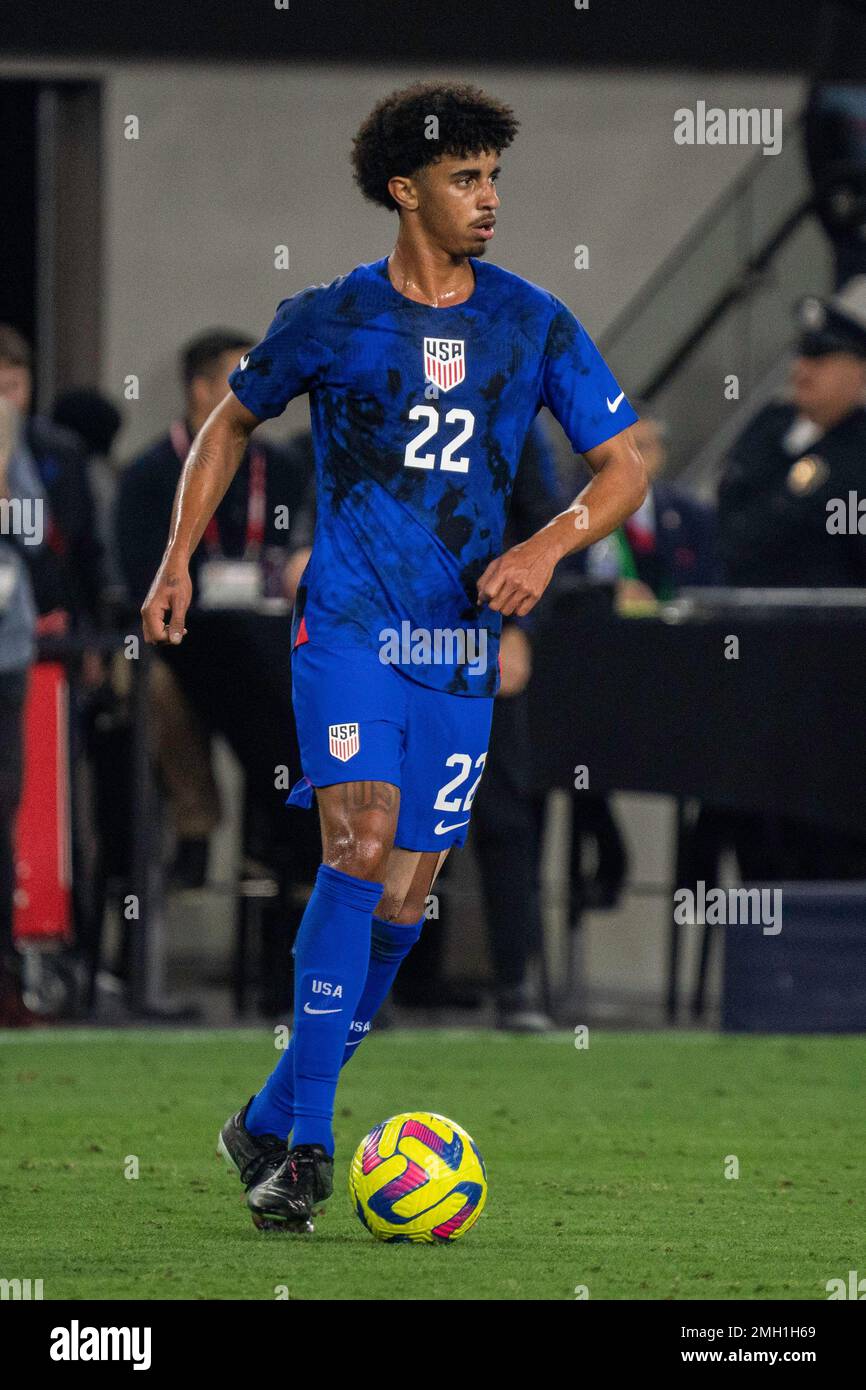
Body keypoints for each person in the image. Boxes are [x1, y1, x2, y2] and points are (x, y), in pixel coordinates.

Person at [140, 81, 646, 1233]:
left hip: (459, 647)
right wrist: (177, 559)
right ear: (401, 189)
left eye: (494, 178)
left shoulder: (530, 319)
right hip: (353, 628)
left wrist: (548, 545)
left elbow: (621, 466)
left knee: (407, 894)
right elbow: (228, 423)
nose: (488, 200)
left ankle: (270, 1108)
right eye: (465, 179)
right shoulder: (328, 317)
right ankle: (308, 1139)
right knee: (359, 840)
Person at [718, 281, 866, 587]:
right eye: (801, 355)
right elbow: (732, 523)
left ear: (859, 372)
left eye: (820, 359)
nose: (802, 370)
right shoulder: (770, 426)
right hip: (756, 612)